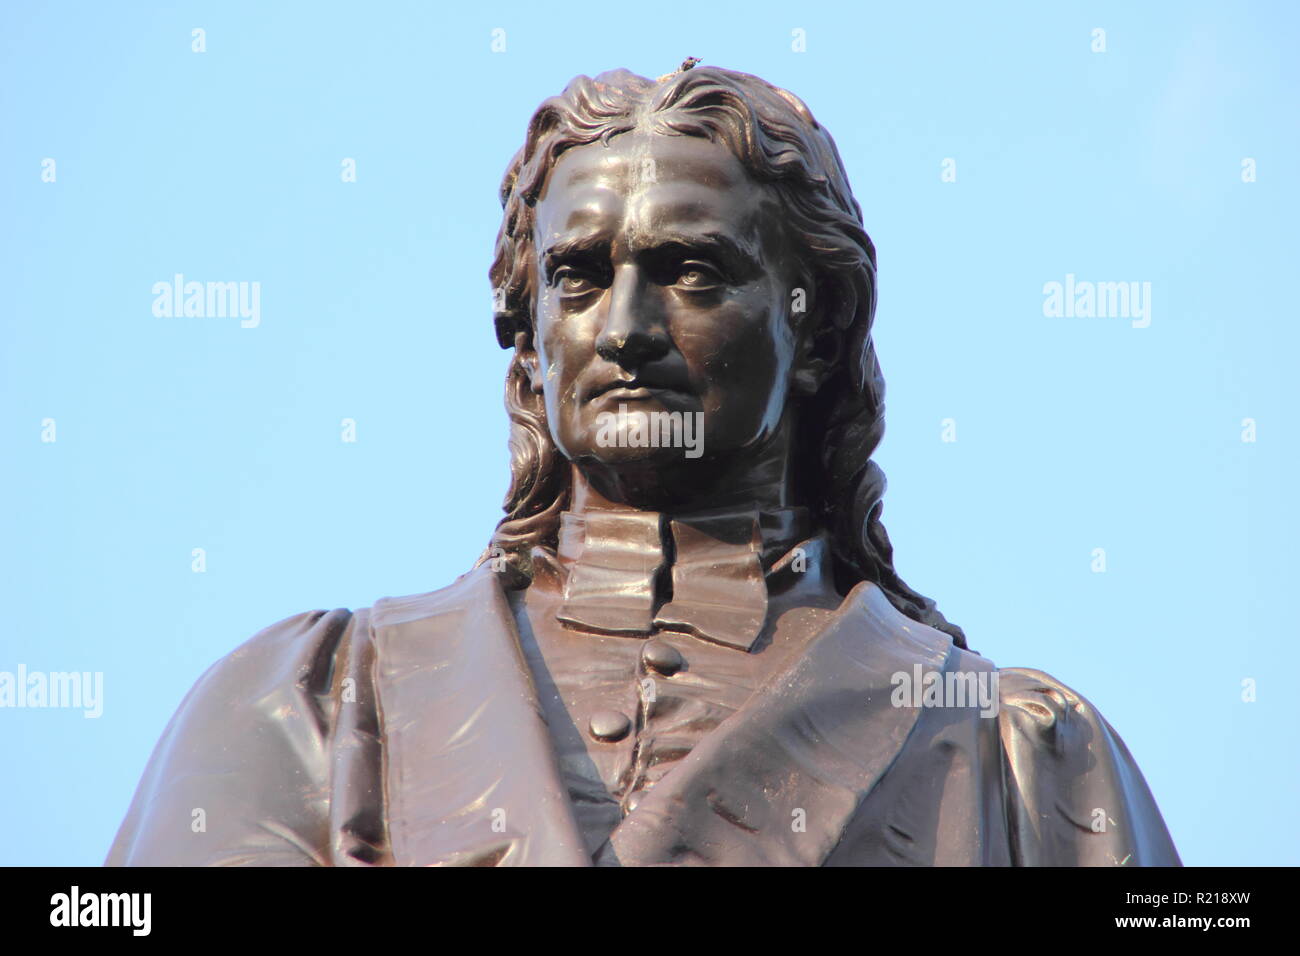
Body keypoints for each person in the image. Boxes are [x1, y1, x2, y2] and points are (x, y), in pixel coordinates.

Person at [107, 63, 1180, 867]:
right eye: (576, 277)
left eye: (690, 272)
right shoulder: (316, 708)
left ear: (814, 328)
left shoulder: (1024, 760)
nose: (623, 327)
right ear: (527, 333)